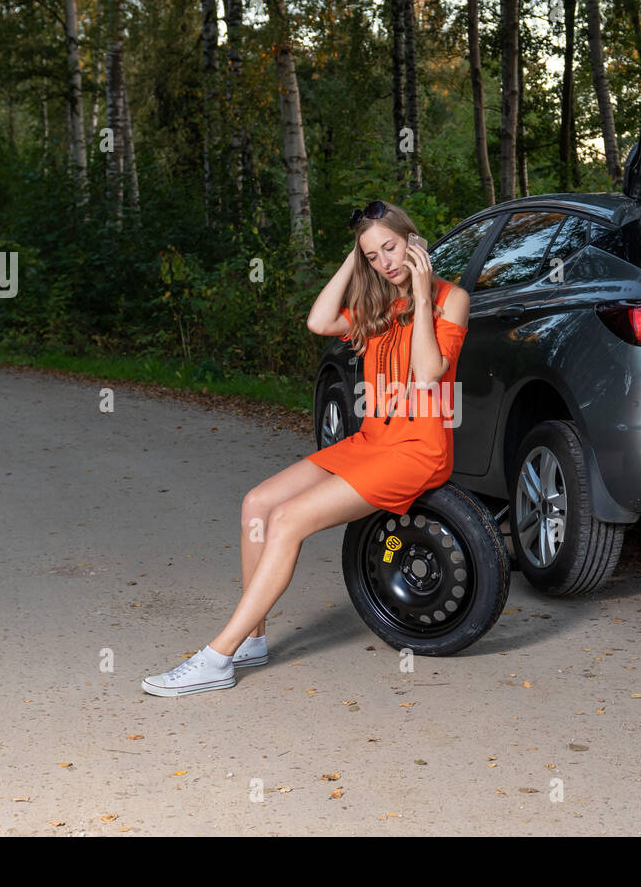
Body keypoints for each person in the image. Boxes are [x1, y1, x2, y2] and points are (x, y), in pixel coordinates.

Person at [143, 199, 470, 696]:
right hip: (371, 440)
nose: (386, 262)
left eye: (391, 247)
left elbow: (428, 374)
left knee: (288, 519)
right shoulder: (379, 305)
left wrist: (423, 295)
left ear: (413, 242)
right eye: (373, 255)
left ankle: (217, 656)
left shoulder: (451, 300)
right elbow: (319, 322)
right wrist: (353, 259)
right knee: (257, 504)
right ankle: (253, 638)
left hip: (415, 450)